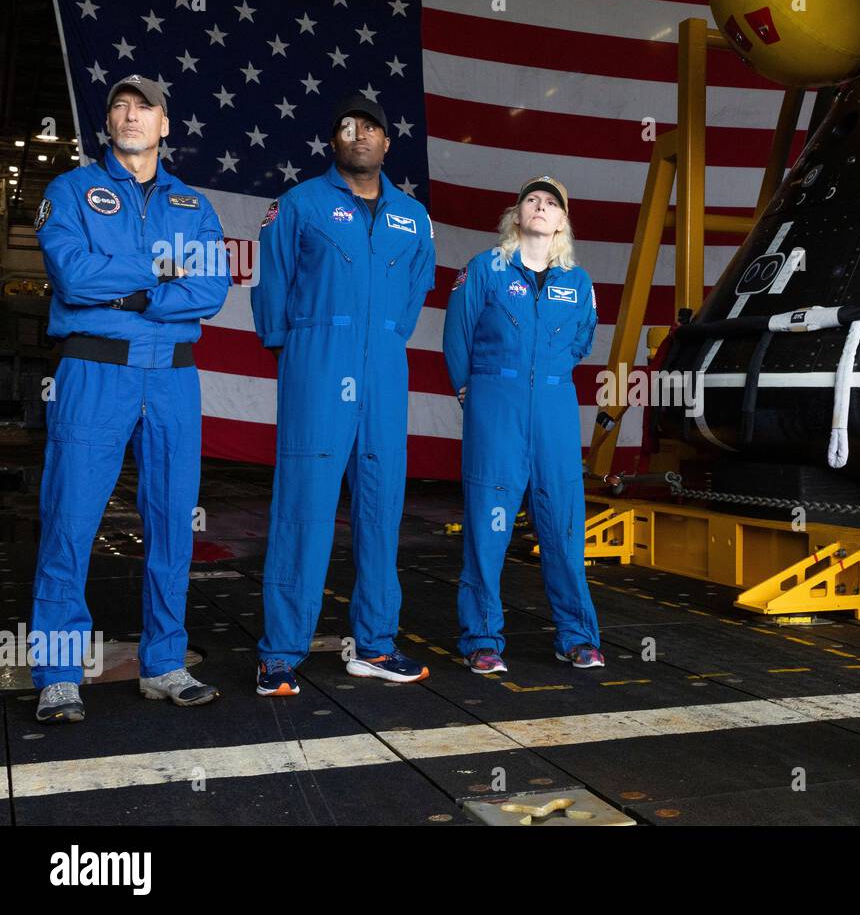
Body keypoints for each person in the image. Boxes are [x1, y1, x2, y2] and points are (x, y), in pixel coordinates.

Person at [30, 74, 230, 722]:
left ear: (165, 125)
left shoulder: (194, 207)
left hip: (172, 374)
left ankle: (165, 663)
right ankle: (59, 674)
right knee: (70, 519)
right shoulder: (71, 191)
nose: (132, 115)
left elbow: (211, 290)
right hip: (95, 370)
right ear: (108, 123)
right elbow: (72, 274)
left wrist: (126, 289)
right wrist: (159, 270)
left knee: (173, 520)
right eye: (121, 105)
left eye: (146, 107)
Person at [251, 95, 436, 696]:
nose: (360, 135)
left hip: (383, 367)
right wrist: (300, 353)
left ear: (387, 142)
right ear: (335, 141)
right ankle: (279, 654)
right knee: (303, 509)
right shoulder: (300, 204)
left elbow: (413, 293)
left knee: (382, 508)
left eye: (372, 127)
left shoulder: (413, 216)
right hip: (317, 365)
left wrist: (378, 342)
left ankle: (375, 646)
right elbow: (272, 284)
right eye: (347, 126)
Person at [443, 177, 604, 673]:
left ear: (561, 222)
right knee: (488, 528)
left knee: (563, 527)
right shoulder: (485, 270)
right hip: (496, 404)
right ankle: (482, 639)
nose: (540, 207)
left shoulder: (577, 282)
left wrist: (547, 377)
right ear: (517, 216)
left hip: (554, 406)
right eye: (531, 200)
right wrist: (473, 391)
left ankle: (577, 636)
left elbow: (582, 342)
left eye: (551, 203)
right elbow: (457, 334)